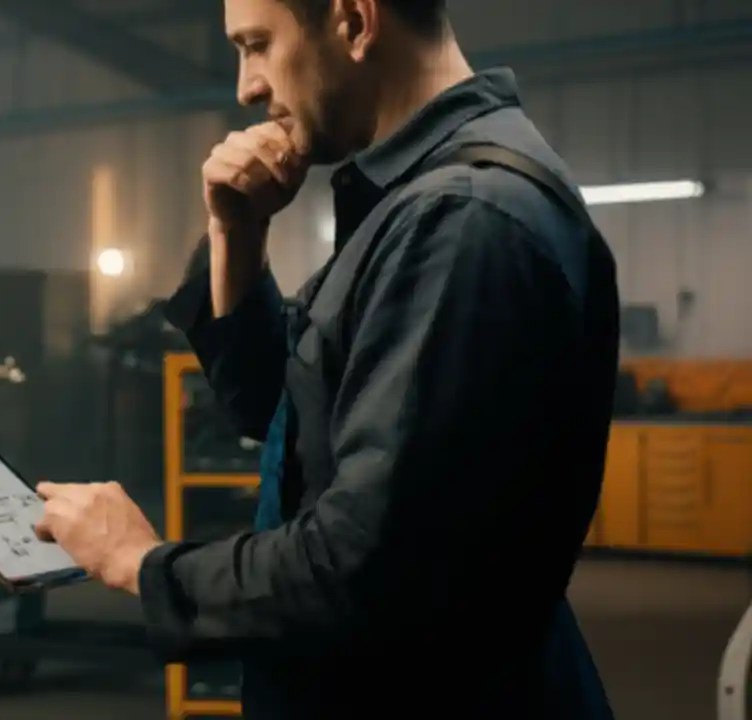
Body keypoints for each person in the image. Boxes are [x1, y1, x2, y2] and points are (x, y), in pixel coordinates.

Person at [33, 0, 619, 717]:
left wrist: (138, 563)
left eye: (256, 45)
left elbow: (365, 568)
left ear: (353, 20)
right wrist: (236, 237)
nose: (247, 86)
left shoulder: (463, 221)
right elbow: (280, 415)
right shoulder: (415, 202)